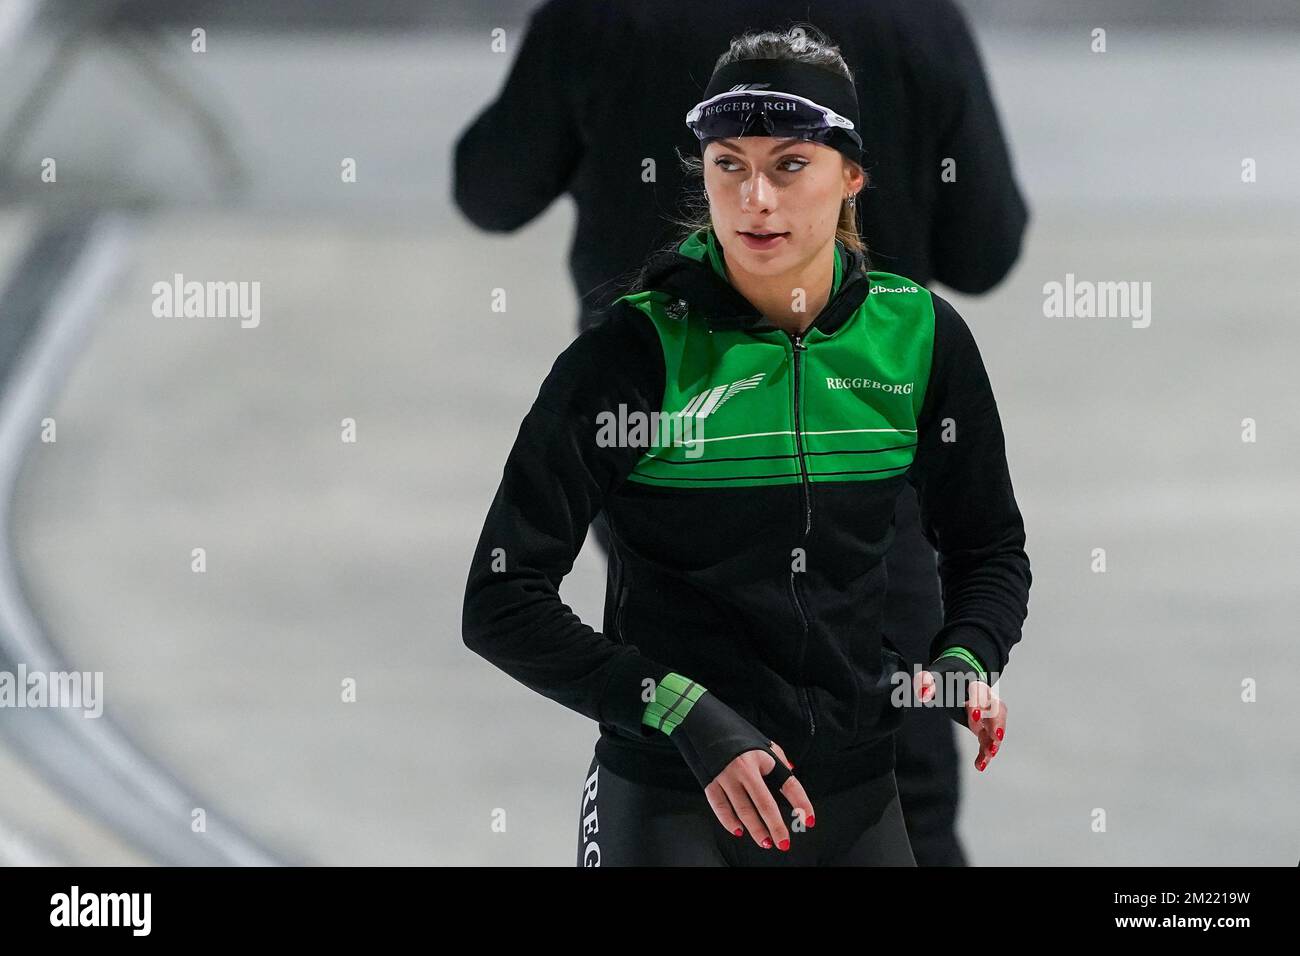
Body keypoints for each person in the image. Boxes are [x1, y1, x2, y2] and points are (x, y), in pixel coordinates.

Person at [454, 7, 1029, 865]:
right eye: (731, 168)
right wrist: (678, 709)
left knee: (896, 742)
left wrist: (967, 658)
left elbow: (491, 188)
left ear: (850, 178)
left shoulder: (921, 339)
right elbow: (987, 243)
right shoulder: (628, 358)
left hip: (858, 767)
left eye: (792, 166)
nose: (757, 200)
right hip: (671, 780)